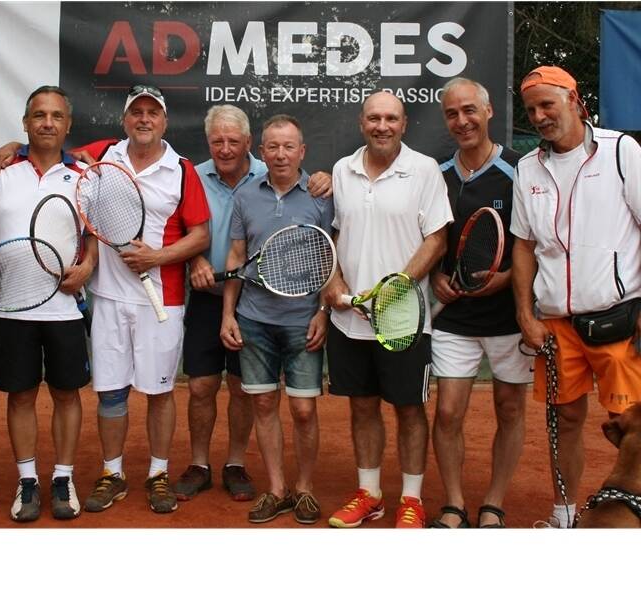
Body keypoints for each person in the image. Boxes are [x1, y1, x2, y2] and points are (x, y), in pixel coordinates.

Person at [173, 105, 332, 503]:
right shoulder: (192, 176)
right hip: (220, 300)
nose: (225, 148)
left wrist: (324, 309)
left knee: (251, 392)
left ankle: (236, 464)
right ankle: (200, 464)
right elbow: (184, 230)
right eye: (217, 141)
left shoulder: (301, 184)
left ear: (248, 145)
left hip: (277, 306)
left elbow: (331, 250)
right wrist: (195, 261)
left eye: (233, 141)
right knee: (202, 386)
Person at [512, 65, 641, 528]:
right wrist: (525, 314)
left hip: (618, 321)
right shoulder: (527, 166)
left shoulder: (622, 151)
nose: (540, 116)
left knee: (632, 428)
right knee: (564, 421)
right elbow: (523, 245)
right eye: (531, 110)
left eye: (547, 104)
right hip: (556, 325)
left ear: (573, 99)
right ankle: (564, 518)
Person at [75, 85, 210, 514]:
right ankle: (111, 473)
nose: (144, 119)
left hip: (162, 301)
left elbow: (200, 234)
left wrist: (158, 256)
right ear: (125, 120)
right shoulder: (102, 155)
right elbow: (55, 153)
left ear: (164, 121)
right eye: (137, 112)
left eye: (153, 113)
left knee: (159, 393)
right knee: (111, 393)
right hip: (110, 297)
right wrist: (14, 147)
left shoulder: (182, 170)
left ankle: (157, 474)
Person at [324, 91, 452, 529]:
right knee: (362, 406)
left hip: (405, 320)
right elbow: (336, 236)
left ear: (404, 124)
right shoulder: (343, 170)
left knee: (409, 410)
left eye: (391, 118)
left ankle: (411, 499)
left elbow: (437, 238)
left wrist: (396, 287)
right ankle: (370, 493)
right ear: (362, 122)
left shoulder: (424, 170)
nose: (383, 126)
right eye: (375, 118)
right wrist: (336, 281)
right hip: (349, 320)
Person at [428, 78, 532, 529]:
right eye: (452, 114)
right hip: (454, 319)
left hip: (510, 317)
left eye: (469, 110)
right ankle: (453, 504)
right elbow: (427, 239)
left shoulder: (522, 170)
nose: (461, 121)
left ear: (489, 112)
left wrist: (507, 279)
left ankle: (493, 503)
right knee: (448, 411)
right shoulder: (437, 175)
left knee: (509, 409)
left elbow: (537, 242)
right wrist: (433, 275)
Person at [220, 114, 333, 525]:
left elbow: (333, 259)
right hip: (253, 318)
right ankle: (276, 489)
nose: (281, 154)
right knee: (264, 403)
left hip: (304, 320)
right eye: (273, 147)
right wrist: (228, 314)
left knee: (303, 411)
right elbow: (236, 257)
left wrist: (324, 310)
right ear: (261, 152)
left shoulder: (323, 195)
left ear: (302, 151)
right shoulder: (246, 197)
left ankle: (304, 490)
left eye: (289, 147)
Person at [0, 86, 94, 522]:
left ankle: (63, 478)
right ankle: (27, 480)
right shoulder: (0, 170)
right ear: (25, 123)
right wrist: (9, 150)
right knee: (19, 396)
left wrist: (87, 267)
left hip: (64, 309)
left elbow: (95, 236)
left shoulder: (87, 176)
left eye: (56, 115)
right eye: (38, 115)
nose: (47, 122)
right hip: (12, 308)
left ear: (68, 125)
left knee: (66, 394)